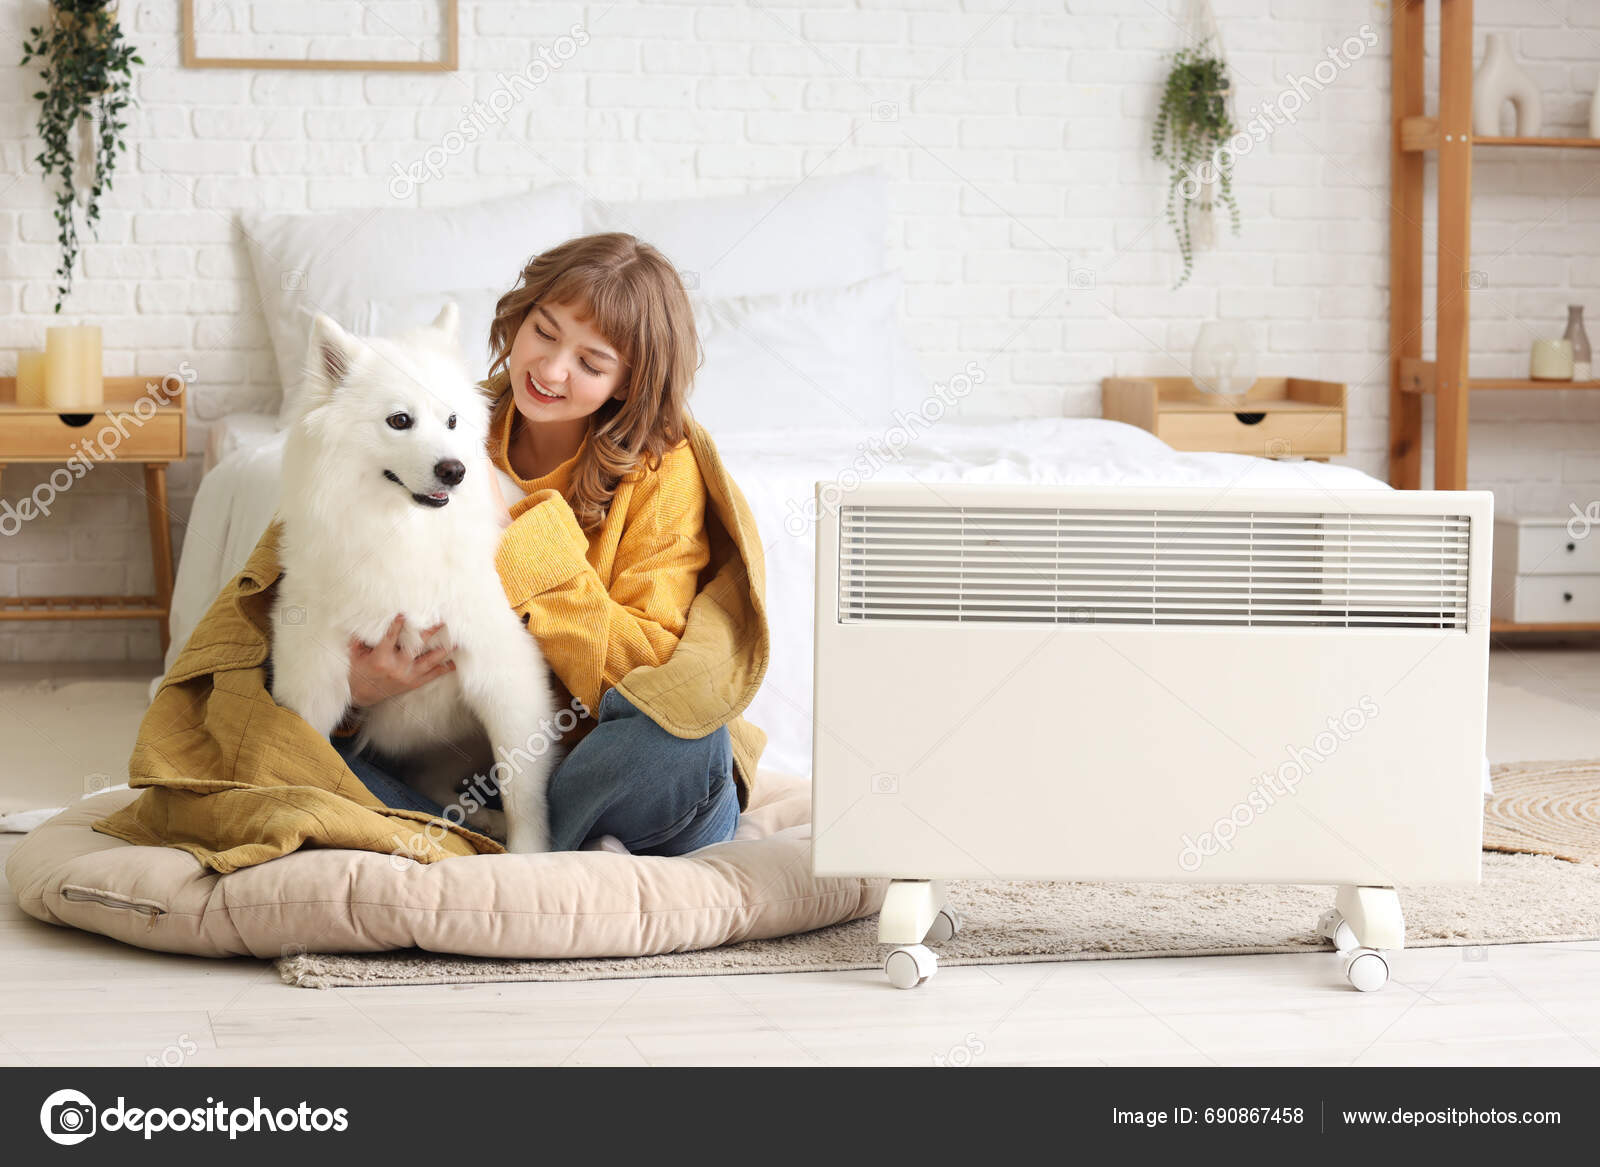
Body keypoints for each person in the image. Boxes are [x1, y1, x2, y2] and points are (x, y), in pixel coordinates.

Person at [329, 233, 754, 857]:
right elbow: (285, 613)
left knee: (683, 737)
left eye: (591, 363)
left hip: (604, 768)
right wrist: (356, 691)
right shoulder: (441, 416)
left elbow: (648, 681)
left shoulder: (665, 470)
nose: (551, 371)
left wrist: (514, 530)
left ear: (629, 383)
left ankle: (491, 839)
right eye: (545, 332)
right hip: (458, 773)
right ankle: (506, 841)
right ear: (518, 318)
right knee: (275, 735)